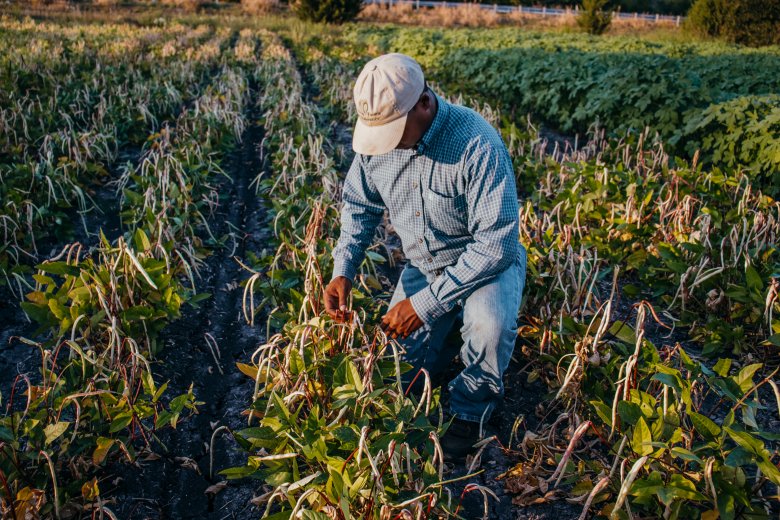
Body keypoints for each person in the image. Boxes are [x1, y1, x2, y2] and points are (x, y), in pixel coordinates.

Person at [324, 53, 526, 461]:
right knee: (398, 371)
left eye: (395, 131)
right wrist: (343, 269)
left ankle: (472, 413)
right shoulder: (379, 147)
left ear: (424, 103)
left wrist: (426, 304)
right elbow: (359, 206)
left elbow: (495, 244)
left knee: (488, 327)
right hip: (425, 264)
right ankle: (447, 335)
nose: (389, 144)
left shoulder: (477, 143)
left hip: (485, 266)